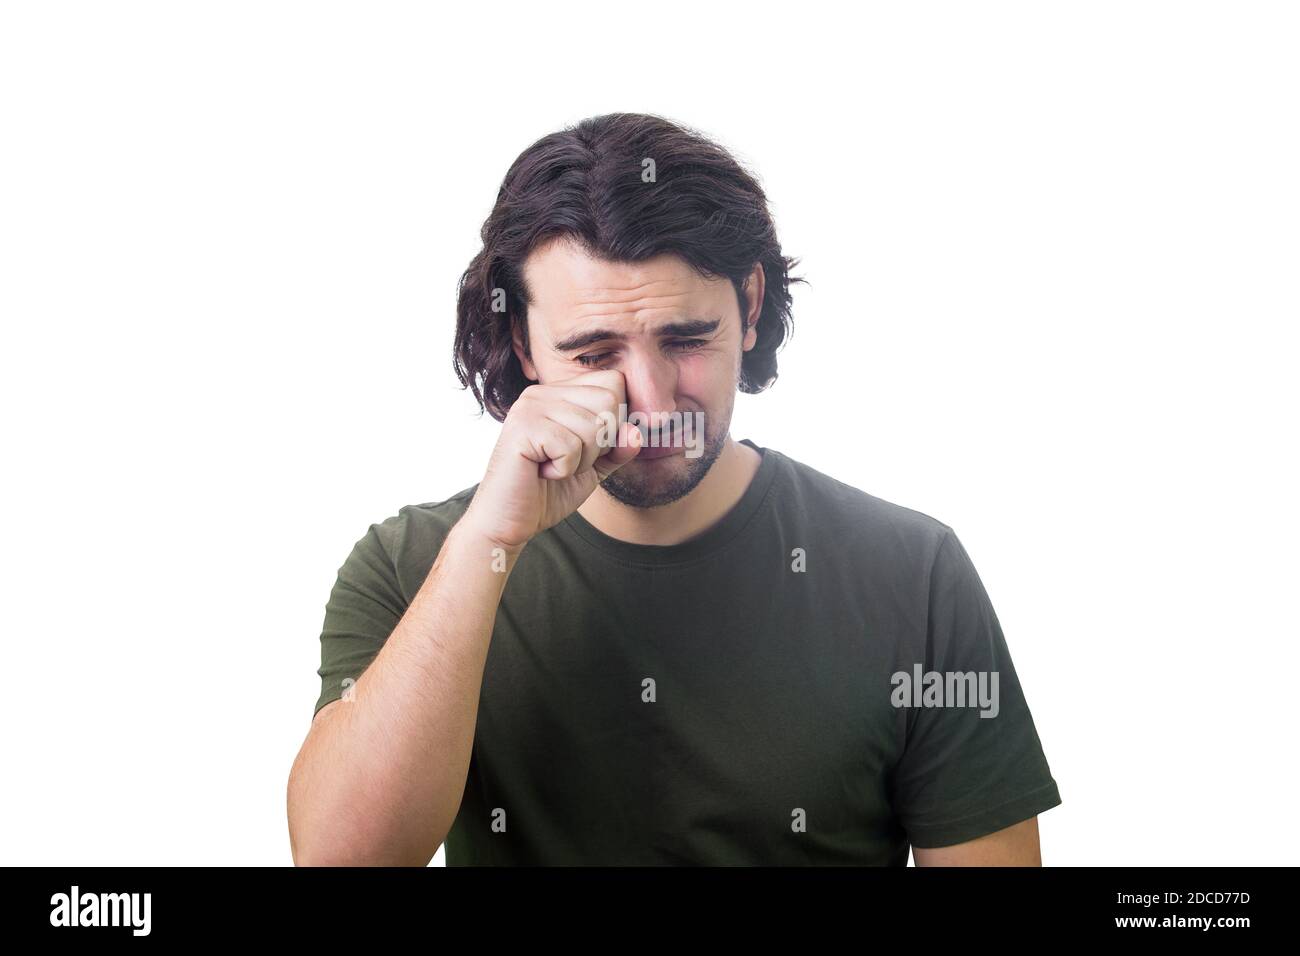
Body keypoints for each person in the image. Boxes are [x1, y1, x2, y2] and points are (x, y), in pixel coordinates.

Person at [286, 112, 1061, 866]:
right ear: (523, 343)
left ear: (749, 306)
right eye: (595, 354)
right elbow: (342, 860)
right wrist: (489, 542)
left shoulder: (913, 572)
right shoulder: (408, 566)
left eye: (686, 341)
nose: (652, 403)